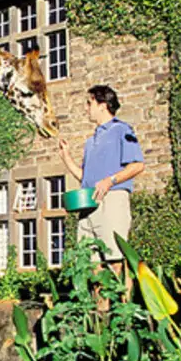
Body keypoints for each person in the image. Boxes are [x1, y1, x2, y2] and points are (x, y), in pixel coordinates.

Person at [57, 85, 145, 281]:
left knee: (115, 260)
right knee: (91, 262)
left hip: (112, 200)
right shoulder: (90, 141)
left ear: (103, 105)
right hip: (88, 204)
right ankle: (100, 311)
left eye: (89, 103)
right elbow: (85, 177)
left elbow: (138, 165)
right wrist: (66, 158)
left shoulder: (122, 130)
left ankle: (122, 309)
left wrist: (110, 180)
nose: (86, 108)